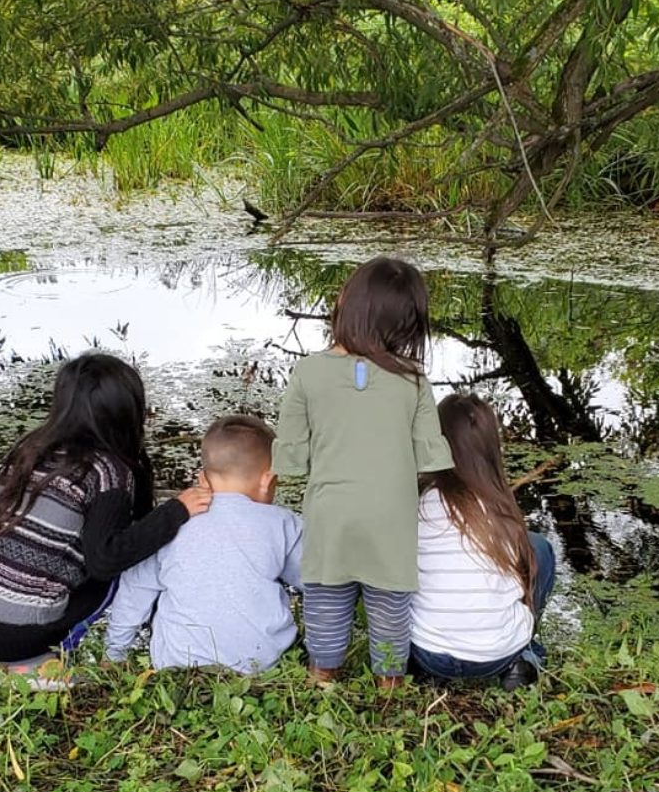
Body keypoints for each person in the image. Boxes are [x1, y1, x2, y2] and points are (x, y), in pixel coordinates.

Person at [0, 353, 212, 668]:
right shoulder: (108, 472)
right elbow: (106, 560)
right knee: (115, 572)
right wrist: (177, 510)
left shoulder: (29, 448)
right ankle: (41, 661)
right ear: (127, 412)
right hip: (13, 637)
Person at [273, 256, 453, 688]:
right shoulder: (414, 378)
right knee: (391, 605)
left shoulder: (308, 371)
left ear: (347, 304)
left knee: (326, 601)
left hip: (330, 514)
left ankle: (322, 674)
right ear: (406, 324)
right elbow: (429, 458)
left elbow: (291, 459)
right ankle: (389, 685)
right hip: (391, 519)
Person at [104, 416, 304, 673]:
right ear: (268, 480)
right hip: (261, 665)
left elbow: (135, 590)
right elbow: (317, 582)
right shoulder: (283, 523)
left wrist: (114, 652)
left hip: (179, 663)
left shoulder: (170, 522)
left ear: (202, 480)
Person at [409, 394, 557, 690]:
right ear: (491, 447)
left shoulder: (419, 502)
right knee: (539, 548)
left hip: (428, 653)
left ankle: (429, 672)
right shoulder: (500, 507)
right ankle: (523, 657)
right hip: (498, 654)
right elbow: (521, 568)